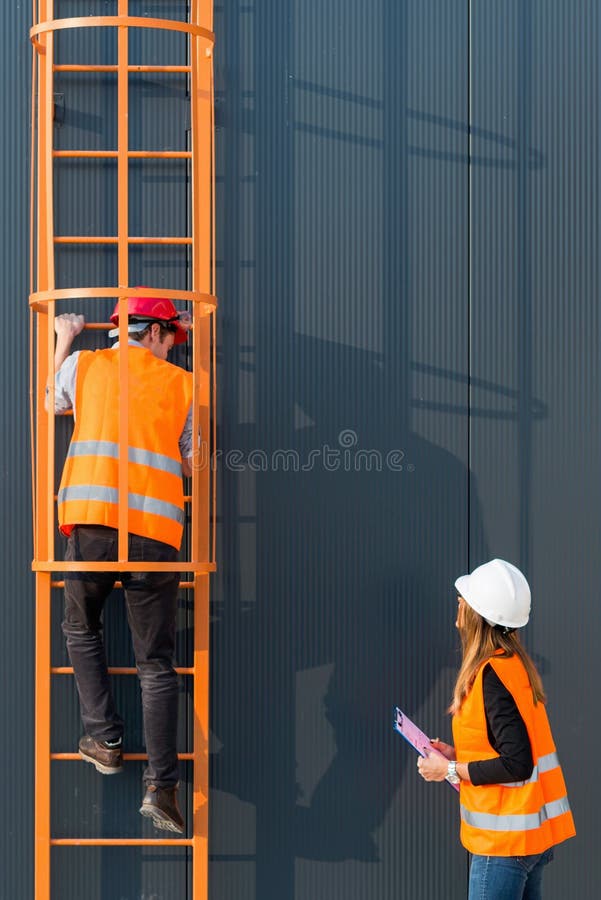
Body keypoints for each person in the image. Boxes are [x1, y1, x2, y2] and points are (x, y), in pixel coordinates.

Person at [50, 295, 194, 834]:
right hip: (155, 536)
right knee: (155, 661)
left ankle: (104, 738)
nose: (172, 347)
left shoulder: (84, 364)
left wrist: (63, 337)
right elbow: (191, 459)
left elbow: (50, 402)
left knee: (80, 625)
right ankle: (162, 789)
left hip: (91, 523)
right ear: (154, 332)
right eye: (171, 338)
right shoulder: (182, 385)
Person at [417, 558, 575, 900]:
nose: (457, 609)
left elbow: (517, 762)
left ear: (476, 614)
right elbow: (508, 747)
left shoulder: (490, 678)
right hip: (528, 841)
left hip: (502, 849)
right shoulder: (513, 665)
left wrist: (448, 770)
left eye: (462, 602)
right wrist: (455, 755)